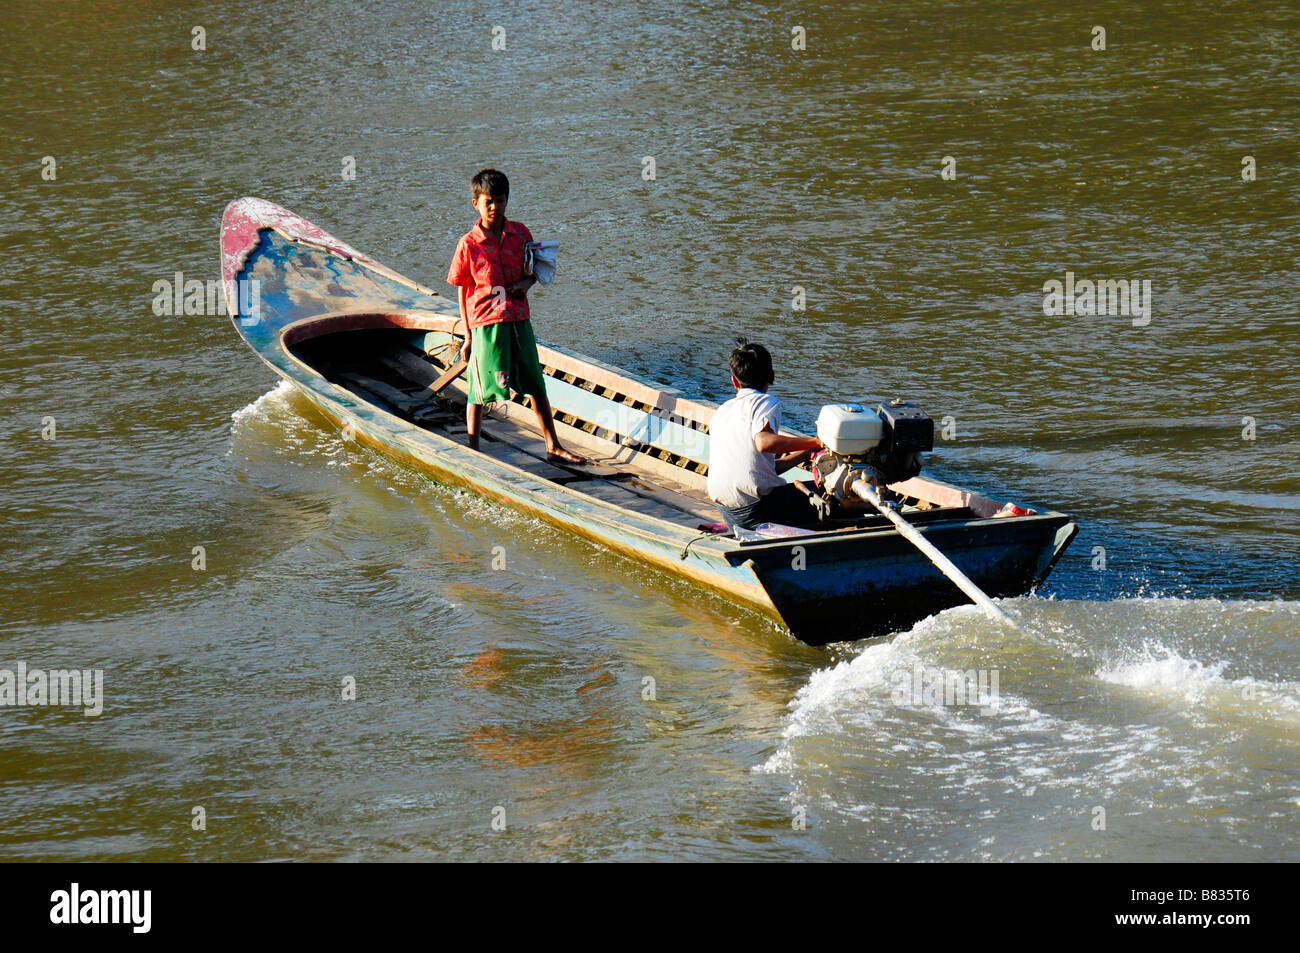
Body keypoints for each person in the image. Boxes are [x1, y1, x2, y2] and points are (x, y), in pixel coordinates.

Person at [445, 168, 586, 464]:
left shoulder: (520, 234)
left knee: (535, 382)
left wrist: (526, 283)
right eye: (488, 202)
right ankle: (474, 449)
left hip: (519, 319)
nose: (494, 207)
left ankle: (553, 445)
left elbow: (534, 269)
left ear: (507, 200)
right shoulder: (468, 244)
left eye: (500, 200)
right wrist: (468, 335)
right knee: (480, 387)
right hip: (486, 323)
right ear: (476, 204)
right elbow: (461, 288)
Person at [707, 341, 823, 534]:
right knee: (833, 495)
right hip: (762, 510)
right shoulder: (766, 402)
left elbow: (760, 470)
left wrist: (806, 452)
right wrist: (817, 441)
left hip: (729, 513)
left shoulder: (722, 411)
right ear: (772, 376)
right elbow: (764, 443)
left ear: (735, 382)